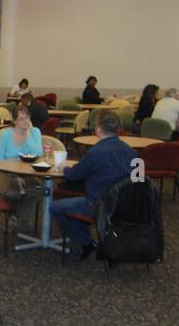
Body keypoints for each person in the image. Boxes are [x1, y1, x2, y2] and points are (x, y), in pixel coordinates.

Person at [49, 112, 135, 261]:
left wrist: (64, 168)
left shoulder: (95, 152)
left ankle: (85, 241)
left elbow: (74, 175)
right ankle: (87, 234)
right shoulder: (132, 152)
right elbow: (138, 180)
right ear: (118, 129)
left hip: (97, 204)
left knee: (54, 207)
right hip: (125, 204)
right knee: (74, 207)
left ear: (98, 130)